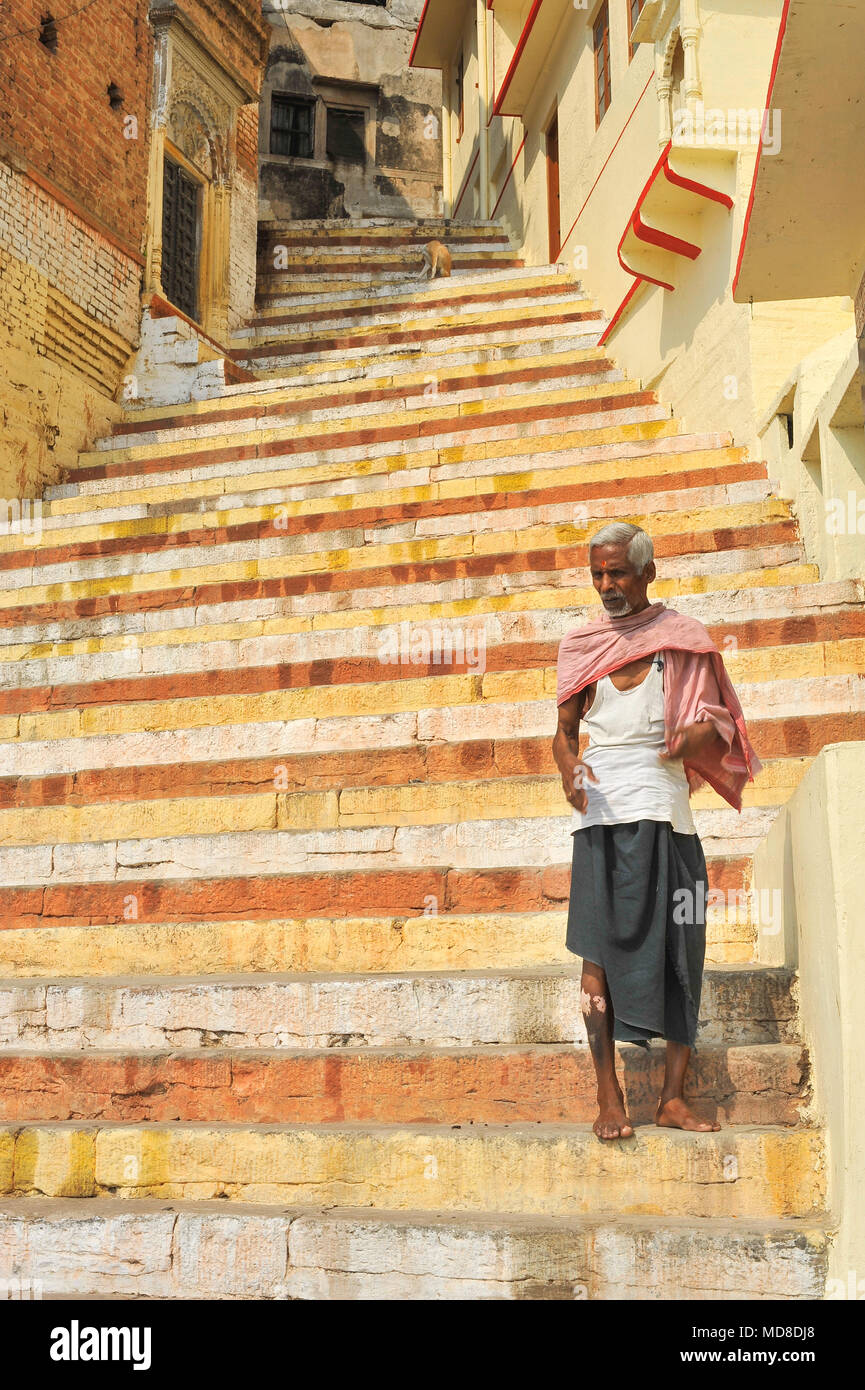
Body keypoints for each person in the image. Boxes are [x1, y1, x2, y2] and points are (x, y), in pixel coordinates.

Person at [552, 521, 761, 1140]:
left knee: (683, 949)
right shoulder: (583, 645)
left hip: (668, 813)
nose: (607, 585)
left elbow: (720, 729)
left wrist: (691, 736)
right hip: (603, 819)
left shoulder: (683, 641)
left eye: (617, 572)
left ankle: (673, 1097)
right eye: (597, 573)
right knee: (597, 953)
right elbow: (564, 736)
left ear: (647, 572)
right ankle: (608, 1096)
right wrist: (570, 772)